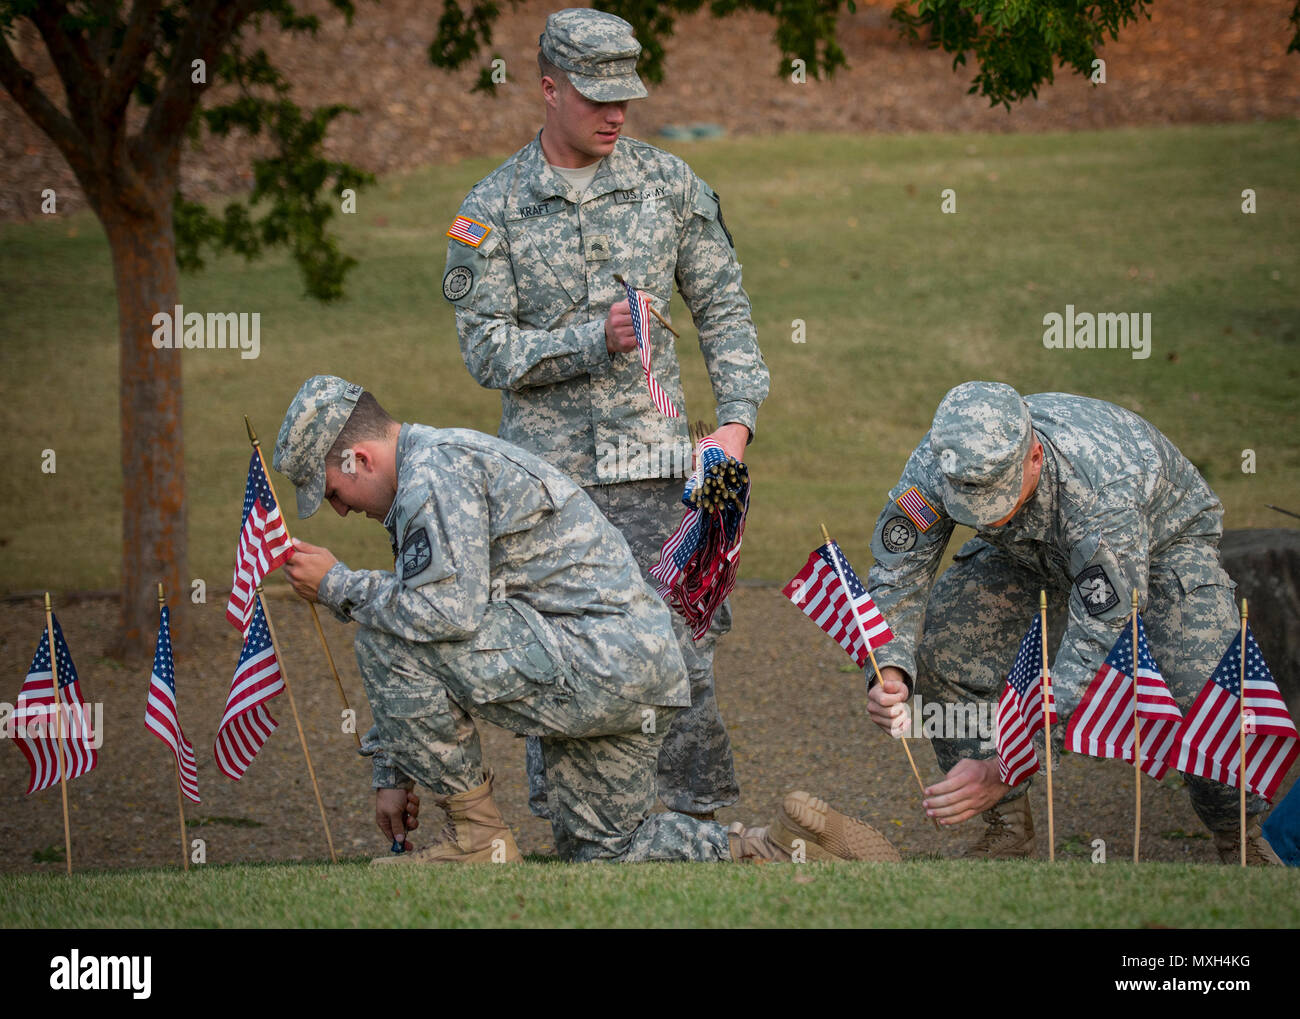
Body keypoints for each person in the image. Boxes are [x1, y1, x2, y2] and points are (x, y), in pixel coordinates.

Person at [273, 375, 897, 865]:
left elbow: (442, 616)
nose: (338, 511)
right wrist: (395, 767)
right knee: (604, 851)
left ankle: (476, 841)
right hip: (632, 667)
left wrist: (337, 585)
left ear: (358, 458)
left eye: (331, 492)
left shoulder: (432, 475)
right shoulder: (440, 464)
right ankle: (773, 846)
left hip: (594, 661)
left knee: (383, 629)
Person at [441, 8, 769, 822]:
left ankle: (691, 823)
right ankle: (582, 828)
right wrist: (594, 340)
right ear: (548, 89)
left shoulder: (670, 186)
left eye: (625, 95)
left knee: (681, 647)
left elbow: (724, 308)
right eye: (595, 97)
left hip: (659, 471)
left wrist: (736, 422)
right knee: (565, 655)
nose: (615, 112)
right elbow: (485, 351)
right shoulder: (493, 210)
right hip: (548, 486)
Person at [864, 381, 1283, 865]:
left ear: (1035, 457)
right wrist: (889, 669)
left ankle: (1240, 839)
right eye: (970, 504)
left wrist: (1006, 767)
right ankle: (1006, 833)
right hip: (1023, 548)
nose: (985, 517)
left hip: (1163, 545)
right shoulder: (943, 459)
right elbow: (899, 570)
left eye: (996, 497)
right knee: (944, 655)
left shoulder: (1102, 491)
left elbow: (1099, 642)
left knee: (1200, 686)